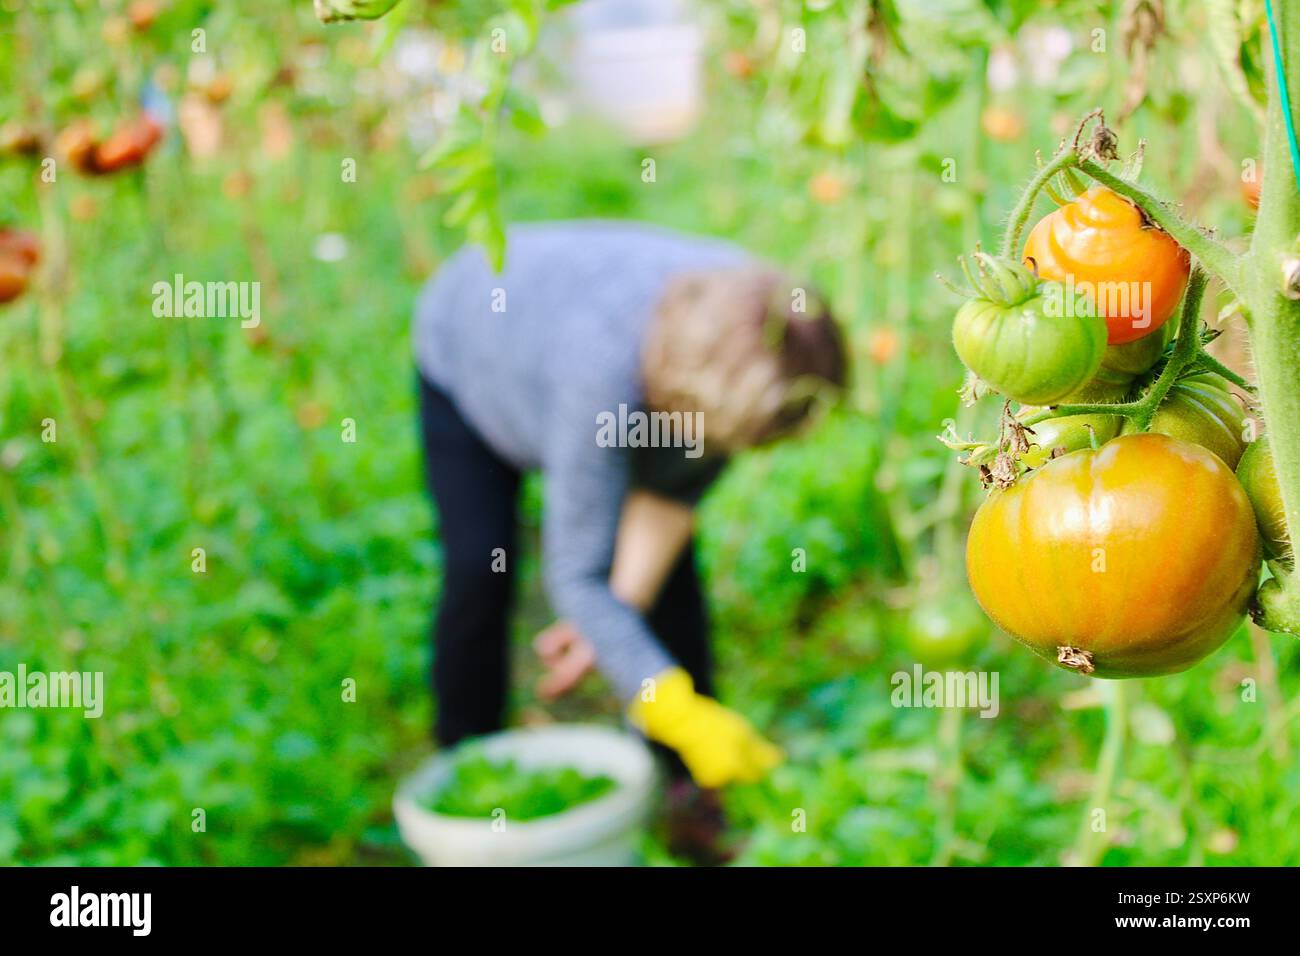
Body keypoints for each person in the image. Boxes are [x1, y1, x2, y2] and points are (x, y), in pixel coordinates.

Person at [412, 221, 847, 844]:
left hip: (613, 364)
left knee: (668, 584)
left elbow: (670, 498)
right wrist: (670, 705)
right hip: (474, 351)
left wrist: (621, 620)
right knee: (482, 565)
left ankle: (684, 791)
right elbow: (577, 575)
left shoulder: (765, 333)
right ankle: (468, 768)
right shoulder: (600, 377)